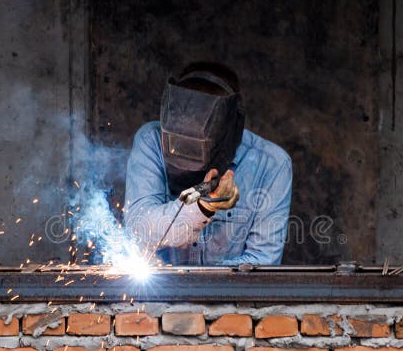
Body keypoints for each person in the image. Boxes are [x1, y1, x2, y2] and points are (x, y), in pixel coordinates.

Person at [124, 62, 292, 265]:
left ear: (229, 127)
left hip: (231, 297)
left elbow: (262, 262)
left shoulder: (271, 165)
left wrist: (199, 285)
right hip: (159, 297)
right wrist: (201, 208)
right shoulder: (152, 141)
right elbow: (139, 232)